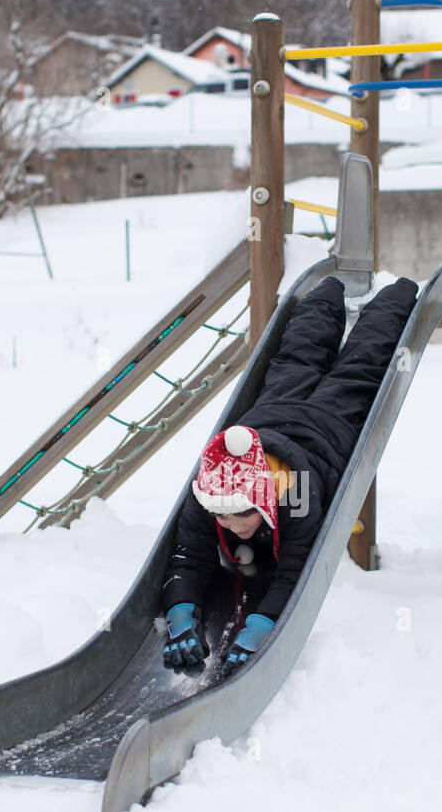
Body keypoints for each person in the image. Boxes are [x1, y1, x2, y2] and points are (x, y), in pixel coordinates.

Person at [161, 272, 419, 676]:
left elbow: (293, 572)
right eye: (222, 516)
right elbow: (186, 557)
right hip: (272, 411)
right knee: (299, 355)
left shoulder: (297, 496)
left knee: (362, 364)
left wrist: (257, 632)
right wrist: (179, 619)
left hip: (328, 425)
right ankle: (329, 291)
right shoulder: (209, 492)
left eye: (242, 514)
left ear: (265, 499)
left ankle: (394, 295)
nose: (230, 524)